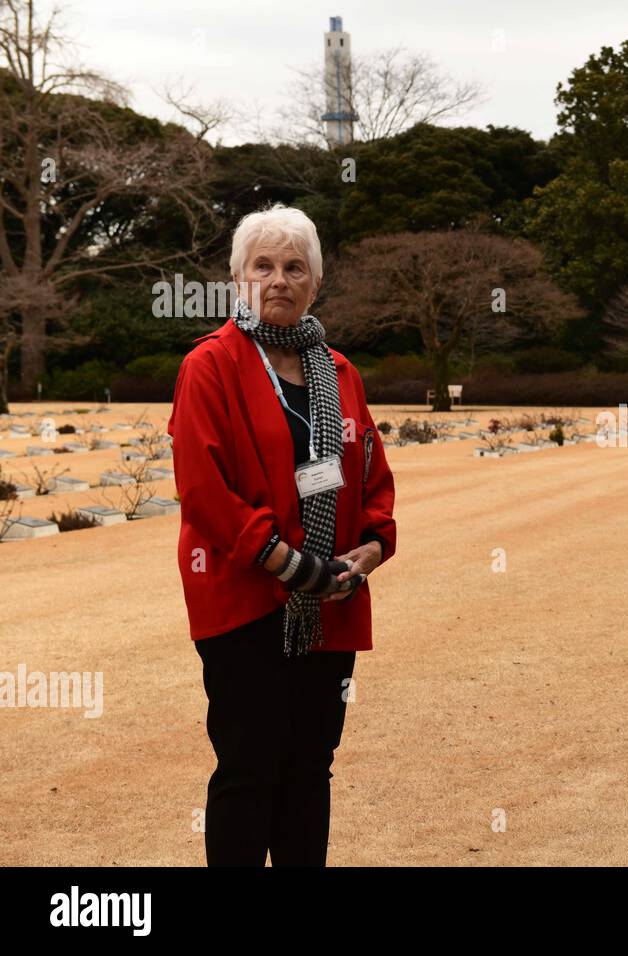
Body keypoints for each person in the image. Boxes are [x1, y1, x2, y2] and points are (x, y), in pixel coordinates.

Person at [168, 203, 397, 865]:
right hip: (245, 603)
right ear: (238, 280)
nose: (279, 280)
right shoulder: (210, 366)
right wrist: (281, 558)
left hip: (331, 603)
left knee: (310, 769)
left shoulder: (340, 373)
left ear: (315, 283)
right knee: (249, 769)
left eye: (295, 267)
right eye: (261, 266)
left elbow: (371, 473)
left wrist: (374, 545)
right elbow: (204, 489)